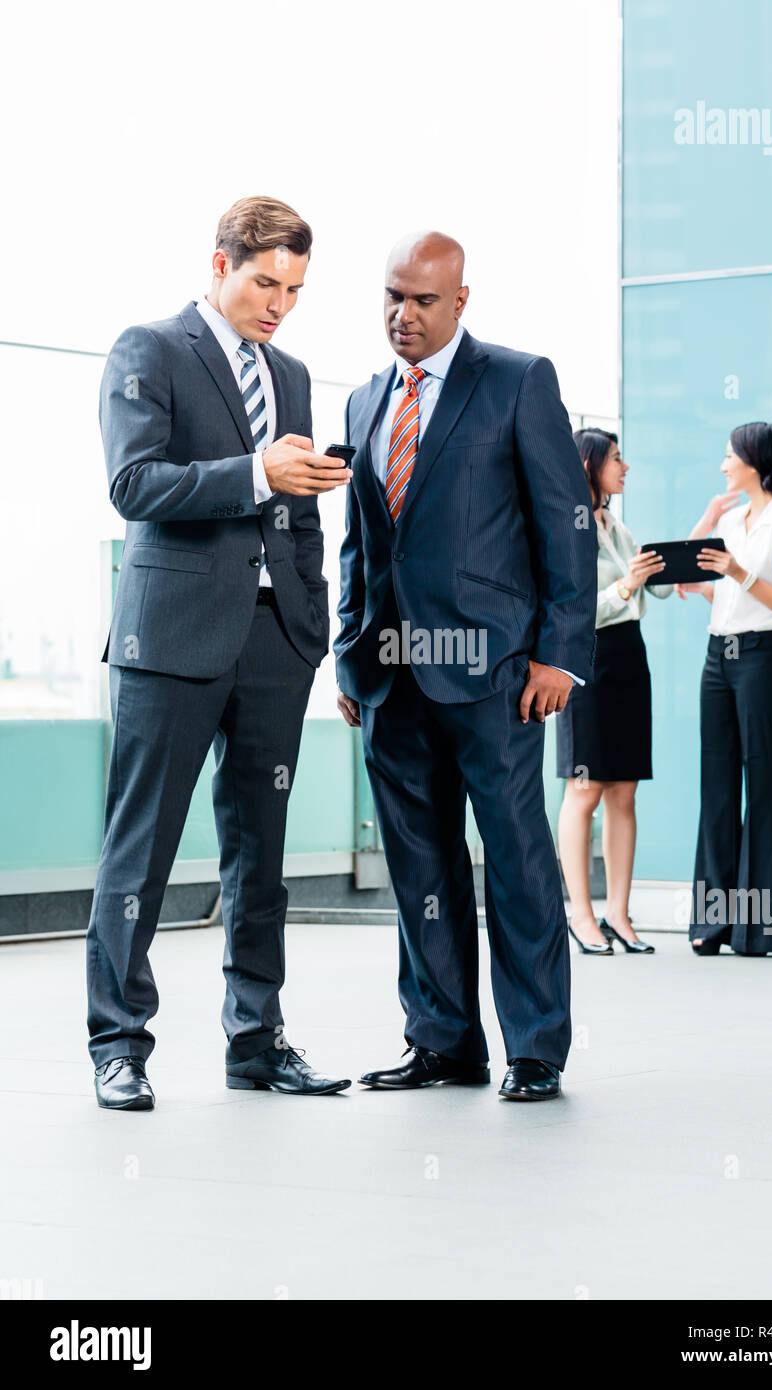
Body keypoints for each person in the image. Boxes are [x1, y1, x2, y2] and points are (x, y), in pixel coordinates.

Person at [86, 195, 353, 1109]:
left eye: (295, 289)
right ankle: (119, 1046)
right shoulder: (148, 349)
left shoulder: (294, 373)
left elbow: (302, 509)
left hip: (274, 642)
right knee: (142, 851)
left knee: (261, 856)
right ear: (219, 265)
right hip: (170, 640)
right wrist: (254, 474)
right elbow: (134, 483)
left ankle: (256, 1041)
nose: (280, 303)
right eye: (264, 282)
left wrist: (311, 618)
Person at [335, 231, 597, 1101]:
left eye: (422, 301)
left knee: (518, 859)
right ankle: (442, 1040)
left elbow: (566, 521)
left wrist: (560, 653)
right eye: (391, 297)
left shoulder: (519, 381)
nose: (402, 315)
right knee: (419, 863)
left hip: (497, 675)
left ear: (460, 302)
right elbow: (360, 544)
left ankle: (535, 1048)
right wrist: (347, 651)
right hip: (392, 674)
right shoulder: (365, 400)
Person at [680, 422, 772, 956]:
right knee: (717, 789)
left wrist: (736, 573)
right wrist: (709, 521)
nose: (724, 463)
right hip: (719, 658)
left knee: (765, 784)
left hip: (760, 660)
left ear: (754, 463)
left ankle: (763, 929)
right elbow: (681, 571)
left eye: (731, 455)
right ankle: (715, 926)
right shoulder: (732, 519)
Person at [556, 429, 671, 954]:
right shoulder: (569, 522)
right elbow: (572, 607)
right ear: (589, 463)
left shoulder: (614, 524)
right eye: (617, 459)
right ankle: (580, 914)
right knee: (584, 789)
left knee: (624, 789)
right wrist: (627, 585)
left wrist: (648, 573)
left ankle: (619, 916)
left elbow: (659, 586)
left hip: (628, 657)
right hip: (587, 661)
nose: (625, 468)